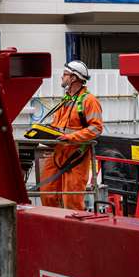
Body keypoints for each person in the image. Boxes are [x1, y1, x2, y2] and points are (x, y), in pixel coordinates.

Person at [38, 60, 104, 210]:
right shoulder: (66, 100)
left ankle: (73, 231)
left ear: (73, 78)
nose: (62, 77)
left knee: (72, 200)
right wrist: (44, 133)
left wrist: (70, 138)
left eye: (65, 74)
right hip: (58, 153)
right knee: (47, 194)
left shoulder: (89, 101)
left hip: (76, 156)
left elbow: (96, 128)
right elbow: (58, 126)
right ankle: (54, 227)